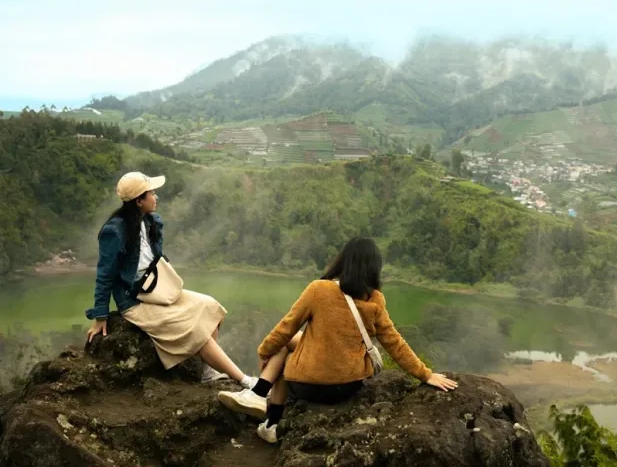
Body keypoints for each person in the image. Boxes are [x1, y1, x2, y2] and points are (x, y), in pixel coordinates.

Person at [217, 237, 458, 444]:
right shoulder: (376, 300)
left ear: (343, 261)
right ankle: (262, 407)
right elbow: (395, 343)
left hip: (306, 385)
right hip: (347, 387)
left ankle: (265, 408)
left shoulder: (318, 289)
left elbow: (286, 328)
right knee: (290, 345)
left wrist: (264, 352)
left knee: (284, 352)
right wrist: (426, 375)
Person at [85, 171, 258, 388]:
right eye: (151, 193)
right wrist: (100, 314)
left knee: (211, 308)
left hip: (158, 290)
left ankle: (206, 369)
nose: (156, 197)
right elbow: (104, 275)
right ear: (139, 201)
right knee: (196, 332)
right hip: (135, 300)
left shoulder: (150, 222)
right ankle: (244, 381)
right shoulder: (114, 231)